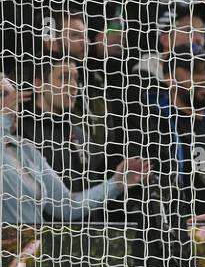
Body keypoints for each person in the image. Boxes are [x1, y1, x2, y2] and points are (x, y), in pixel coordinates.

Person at [0, 74, 149, 225]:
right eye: (3, 94)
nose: (14, 100)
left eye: (14, 93)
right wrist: (3, 120)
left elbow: (67, 206)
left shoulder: (26, 150)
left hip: (31, 246)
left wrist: (115, 183)